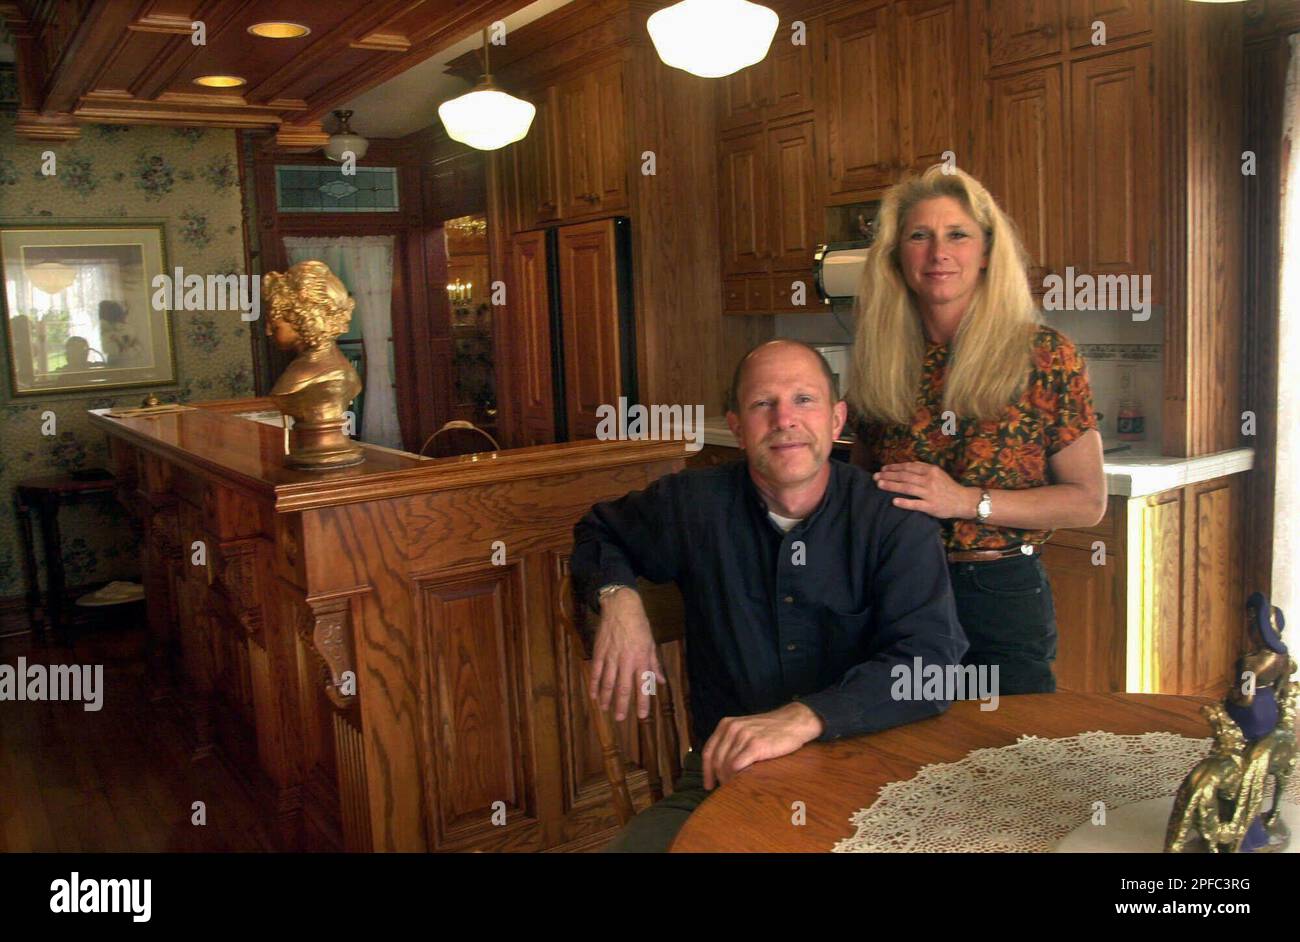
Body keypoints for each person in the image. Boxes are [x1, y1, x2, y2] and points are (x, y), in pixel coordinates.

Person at [571, 339, 968, 853]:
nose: (785, 419)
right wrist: (619, 598)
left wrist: (804, 717)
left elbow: (930, 664)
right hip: (726, 780)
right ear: (736, 424)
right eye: (763, 403)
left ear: (836, 419)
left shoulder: (892, 520)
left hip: (873, 775)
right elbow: (598, 532)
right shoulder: (693, 505)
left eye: (804, 399)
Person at [848, 164, 1106, 695]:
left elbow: (1087, 502)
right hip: (899, 588)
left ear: (986, 252)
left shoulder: (1045, 355)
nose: (938, 252)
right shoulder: (881, 360)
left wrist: (964, 500)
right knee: (904, 759)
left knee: (1011, 761)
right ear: (897, 256)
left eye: (957, 235)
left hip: (999, 590)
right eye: (919, 236)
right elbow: (863, 487)